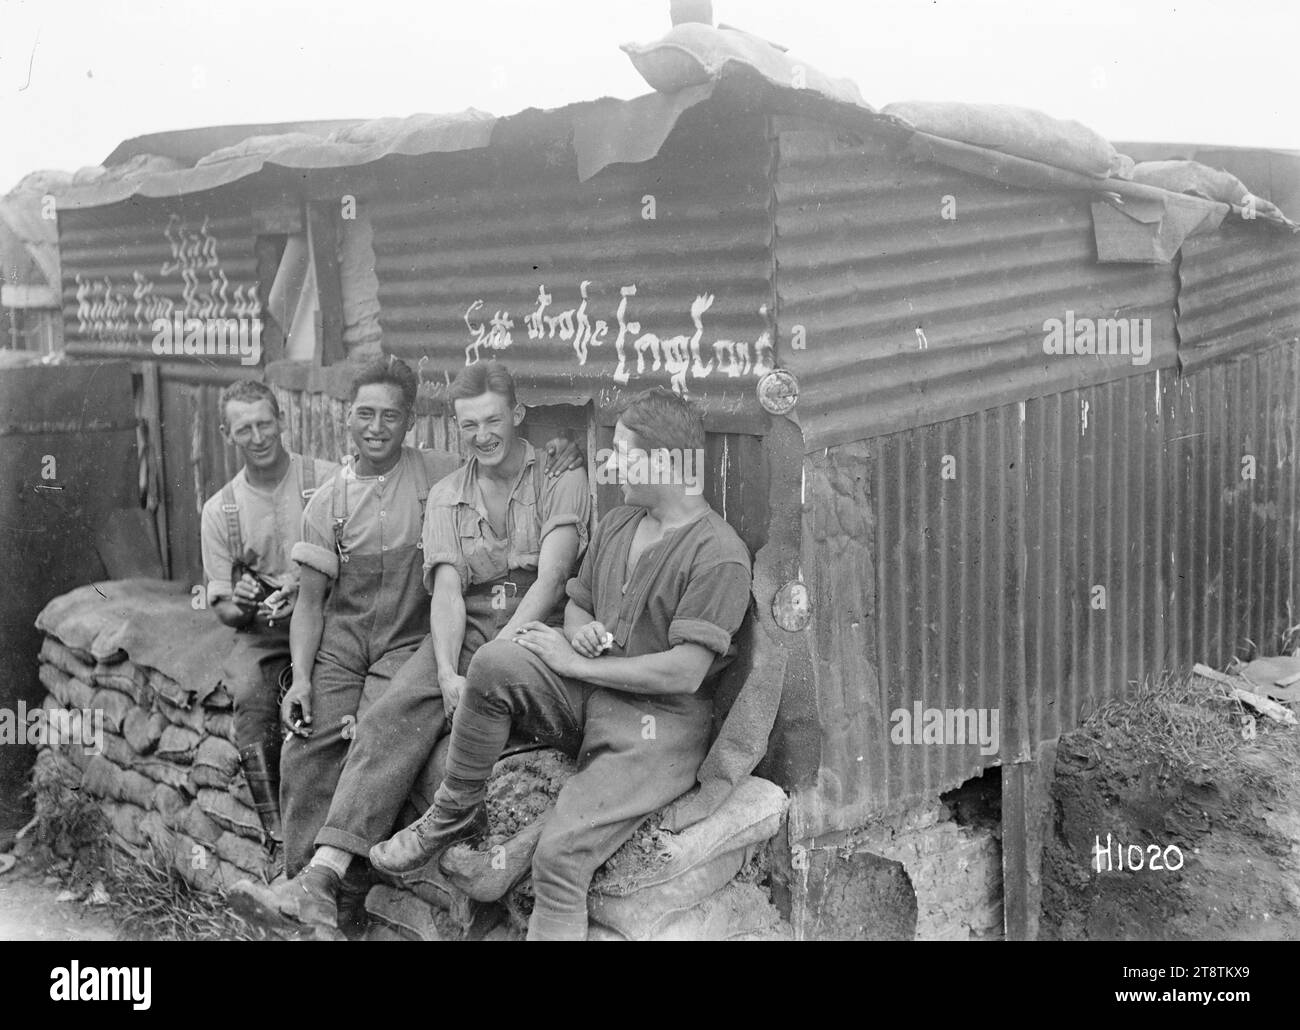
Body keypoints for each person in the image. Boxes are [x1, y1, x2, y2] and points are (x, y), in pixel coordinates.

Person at [371, 387, 753, 941]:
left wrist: (576, 665)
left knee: (560, 855)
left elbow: (684, 673)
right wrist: (579, 631)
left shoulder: (718, 553)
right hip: (592, 695)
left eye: (624, 453)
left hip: (657, 727)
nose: (611, 463)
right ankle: (455, 811)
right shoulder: (623, 521)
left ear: (666, 462)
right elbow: (577, 600)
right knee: (497, 661)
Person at [230, 357, 582, 936]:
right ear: (347, 419)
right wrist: (444, 671)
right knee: (315, 739)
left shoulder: (448, 472)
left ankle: (330, 886)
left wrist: (564, 445)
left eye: (389, 416)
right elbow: (433, 591)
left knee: (375, 721)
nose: (375, 427)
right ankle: (313, 897)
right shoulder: (385, 495)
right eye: (363, 415)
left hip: (464, 630)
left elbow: (549, 577)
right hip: (382, 634)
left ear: (410, 422)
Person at [199, 379, 337, 843]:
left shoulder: (329, 479)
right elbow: (221, 603)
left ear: (282, 420)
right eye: (244, 430)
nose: (257, 438)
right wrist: (238, 605)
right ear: (227, 434)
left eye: (264, 424)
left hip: (332, 614)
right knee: (254, 699)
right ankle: (276, 833)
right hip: (267, 629)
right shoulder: (222, 510)